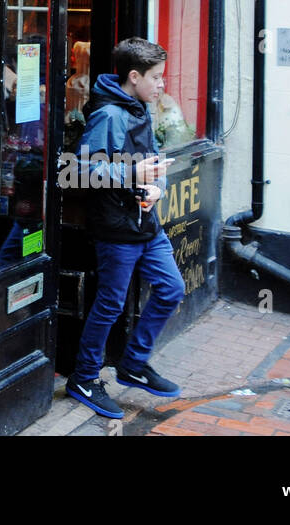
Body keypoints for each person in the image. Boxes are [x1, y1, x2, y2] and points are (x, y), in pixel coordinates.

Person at [66, 37, 186, 419]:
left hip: (145, 223)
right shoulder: (109, 116)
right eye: (156, 78)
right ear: (134, 77)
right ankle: (84, 377)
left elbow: (150, 161)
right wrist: (131, 173)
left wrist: (155, 188)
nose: (162, 85)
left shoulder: (138, 108)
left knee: (171, 289)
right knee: (110, 304)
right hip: (116, 228)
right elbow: (77, 172)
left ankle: (133, 364)